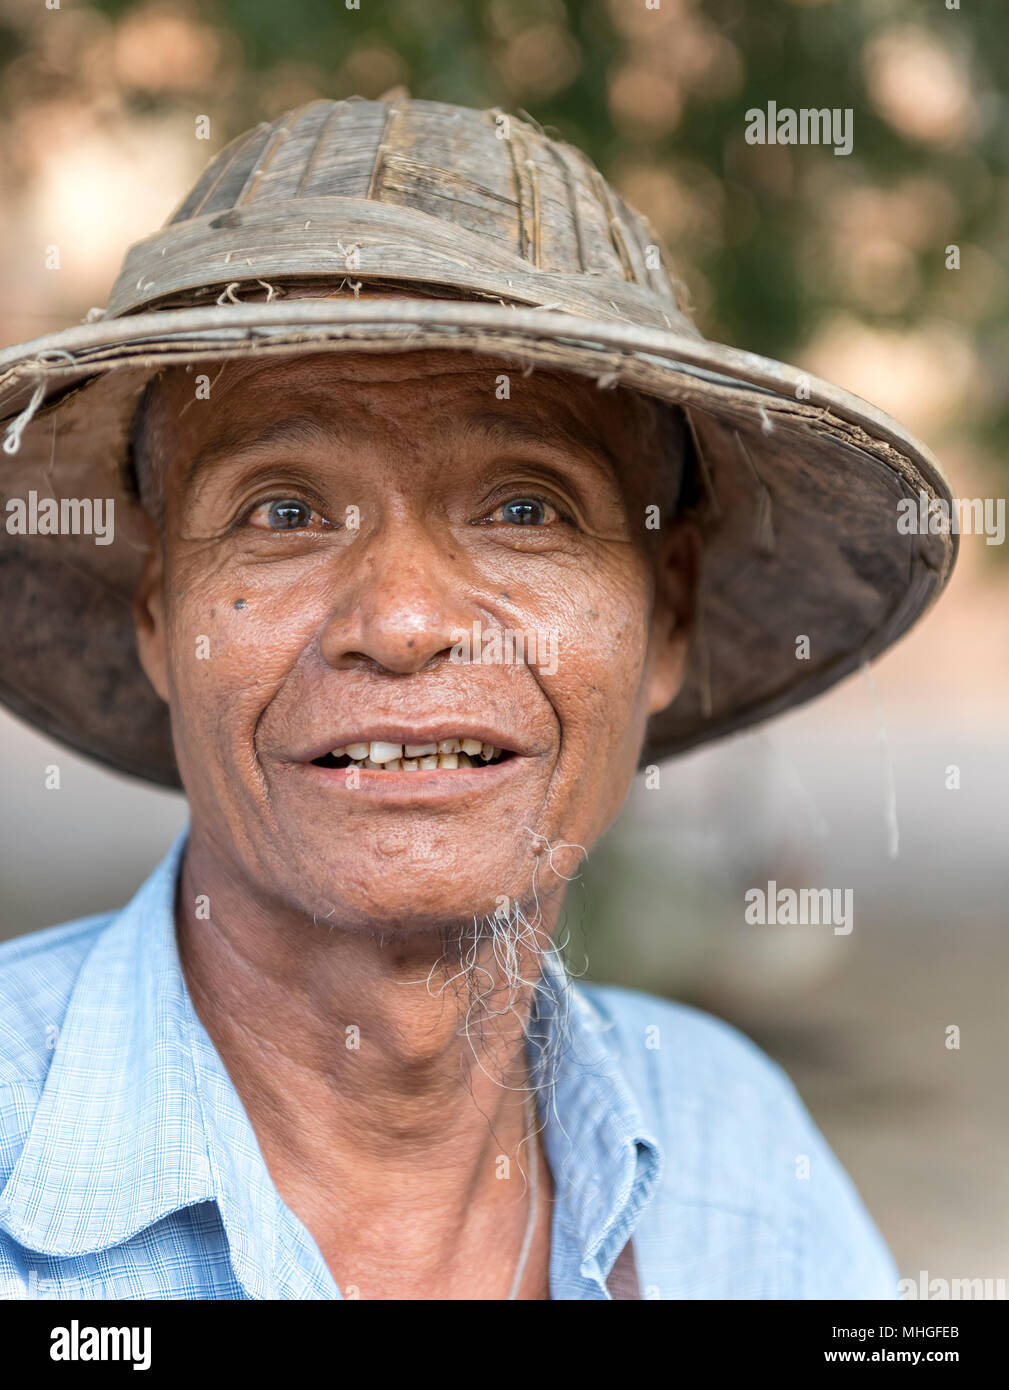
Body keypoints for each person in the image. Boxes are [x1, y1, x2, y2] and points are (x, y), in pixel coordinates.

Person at [0, 97, 956, 1300]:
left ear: (665, 613)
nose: (403, 621)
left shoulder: (739, 1150)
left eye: (524, 508)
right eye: (282, 511)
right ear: (159, 614)